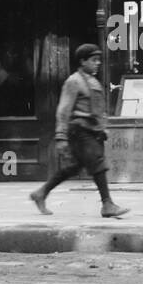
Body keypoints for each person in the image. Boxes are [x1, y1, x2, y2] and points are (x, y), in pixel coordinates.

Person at [29, 44, 129, 218]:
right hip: (79, 131)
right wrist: (60, 136)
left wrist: (102, 127)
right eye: (93, 60)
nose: (97, 64)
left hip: (92, 131)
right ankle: (107, 205)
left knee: (74, 167)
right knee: (98, 164)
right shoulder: (74, 81)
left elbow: (97, 109)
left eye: (99, 60)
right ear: (82, 61)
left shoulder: (93, 81)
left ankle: (41, 193)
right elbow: (63, 110)